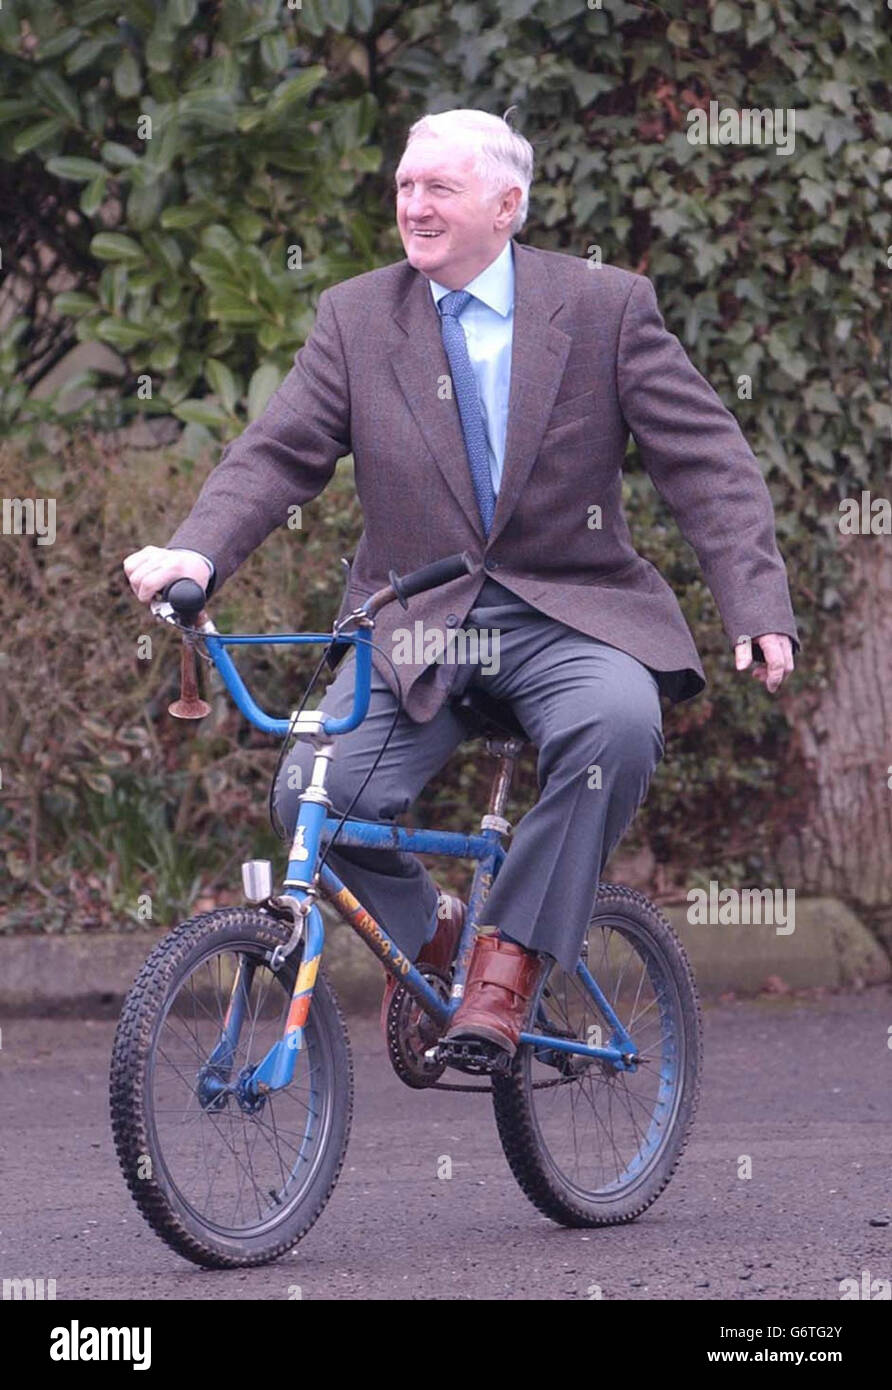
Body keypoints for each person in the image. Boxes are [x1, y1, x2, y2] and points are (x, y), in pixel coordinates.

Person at [124, 108, 799, 1062]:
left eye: (439, 187)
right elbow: (276, 457)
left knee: (615, 725)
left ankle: (507, 969)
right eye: (405, 185)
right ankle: (439, 944)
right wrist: (196, 554)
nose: (415, 204)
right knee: (316, 794)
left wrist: (757, 604)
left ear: (507, 205)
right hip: (418, 627)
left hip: (572, 616)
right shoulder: (357, 318)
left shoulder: (605, 305)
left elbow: (708, 462)